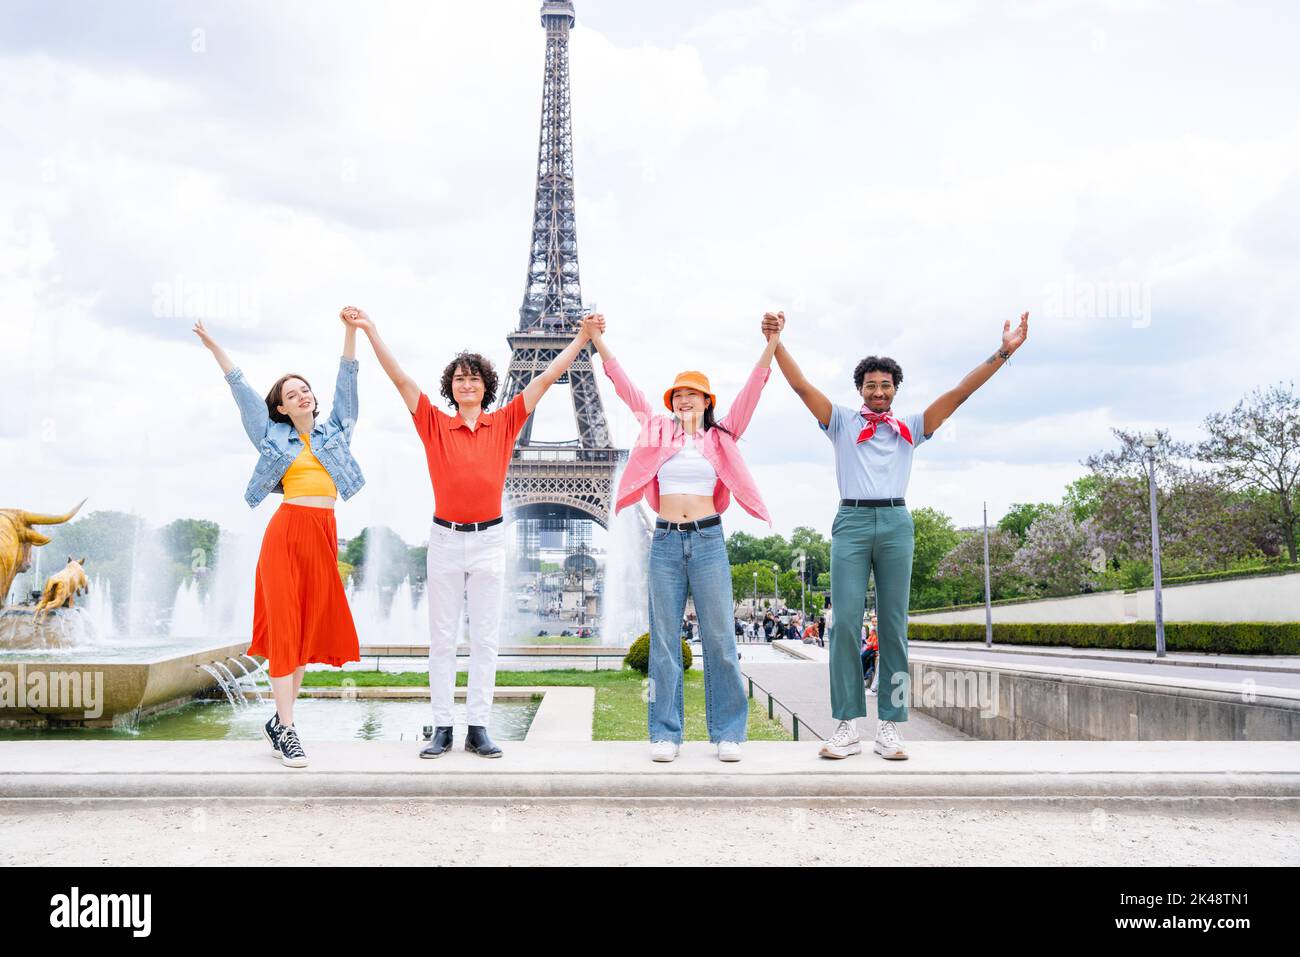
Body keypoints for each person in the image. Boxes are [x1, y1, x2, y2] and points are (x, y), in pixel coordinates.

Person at [764, 309, 1029, 760]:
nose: (879, 391)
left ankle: (890, 726)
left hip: (895, 523)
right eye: (871, 385)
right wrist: (775, 341)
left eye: (886, 385)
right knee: (845, 624)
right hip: (850, 522)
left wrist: (1003, 352)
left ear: (895, 390)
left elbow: (960, 394)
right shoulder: (843, 422)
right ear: (860, 390)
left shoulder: (911, 427)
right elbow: (801, 387)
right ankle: (846, 725)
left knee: (893, 627)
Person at [344, 307, 590, 759]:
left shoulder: (505, 422)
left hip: (489, 540)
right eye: (459, 379)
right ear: (450, 387)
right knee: (442, 639)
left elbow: (544, 377)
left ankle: (478, 725)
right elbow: (400, 380)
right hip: (444, 540)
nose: (467, 384)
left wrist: (579, 341)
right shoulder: (435, 423)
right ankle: (442, 726)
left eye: (475, 378)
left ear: (486, 386)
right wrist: (372, 331)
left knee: (485, 640)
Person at [587, 311, 781, 763]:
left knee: (721, 642)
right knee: (663, 641)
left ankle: (728, 732)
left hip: (709, 540)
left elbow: (754, 390)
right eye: (679, 395)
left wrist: (771, 343)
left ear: (707, 401)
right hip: (666, 541)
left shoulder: (724, 434)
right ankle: (665, 733)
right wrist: (597, 342)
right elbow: (626, 388)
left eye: (693, 394)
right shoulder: (656, 430)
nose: (685, 400)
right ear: (671, 402)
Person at [194, 310, 366, 769]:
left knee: (306, 632)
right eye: (292, 394)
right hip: (286, 535)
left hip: (324, 536)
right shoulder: (271, 436)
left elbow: (347, 384)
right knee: (286, 630)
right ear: (282, 409)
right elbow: (243, 392)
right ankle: (288, 730)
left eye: (304, 389)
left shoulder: (337, 431)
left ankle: (279, 721)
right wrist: (215, 348)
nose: (303, 395)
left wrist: (350, 331)